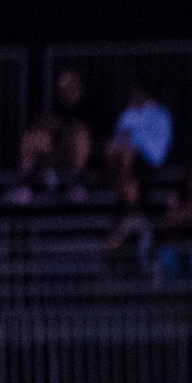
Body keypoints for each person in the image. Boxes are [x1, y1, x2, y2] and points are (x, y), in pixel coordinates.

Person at [10, 68, 92, 204]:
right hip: (52, 147)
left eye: (69, 86)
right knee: (33, 139)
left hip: (71, 150)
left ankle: (76, 183)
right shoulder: (53, 104)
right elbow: (44, 124)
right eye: (63, 86)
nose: (65, 90)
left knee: (80, 139)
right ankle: (24, 183)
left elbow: (80, 129)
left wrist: (62, 131)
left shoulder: (86, 107)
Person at [104, 86, 174, 197]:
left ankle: (125, 189)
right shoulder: (130, 112)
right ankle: (112, 188)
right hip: (127, 151)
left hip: (150, 157)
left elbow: (160, 146)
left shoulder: (160, 114)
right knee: (111, 149)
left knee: (126, 155)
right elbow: (120, 133)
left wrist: (137, 147)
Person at [102, 176, 153, 277]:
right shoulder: (117, 209)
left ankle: (143, 270)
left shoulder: (146, 208)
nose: (130, 191)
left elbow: (148, 230)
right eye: (128, 188)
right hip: (122, 245)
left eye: (133, 188)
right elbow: (113, 237)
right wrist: (124, 231)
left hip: (142, 245)